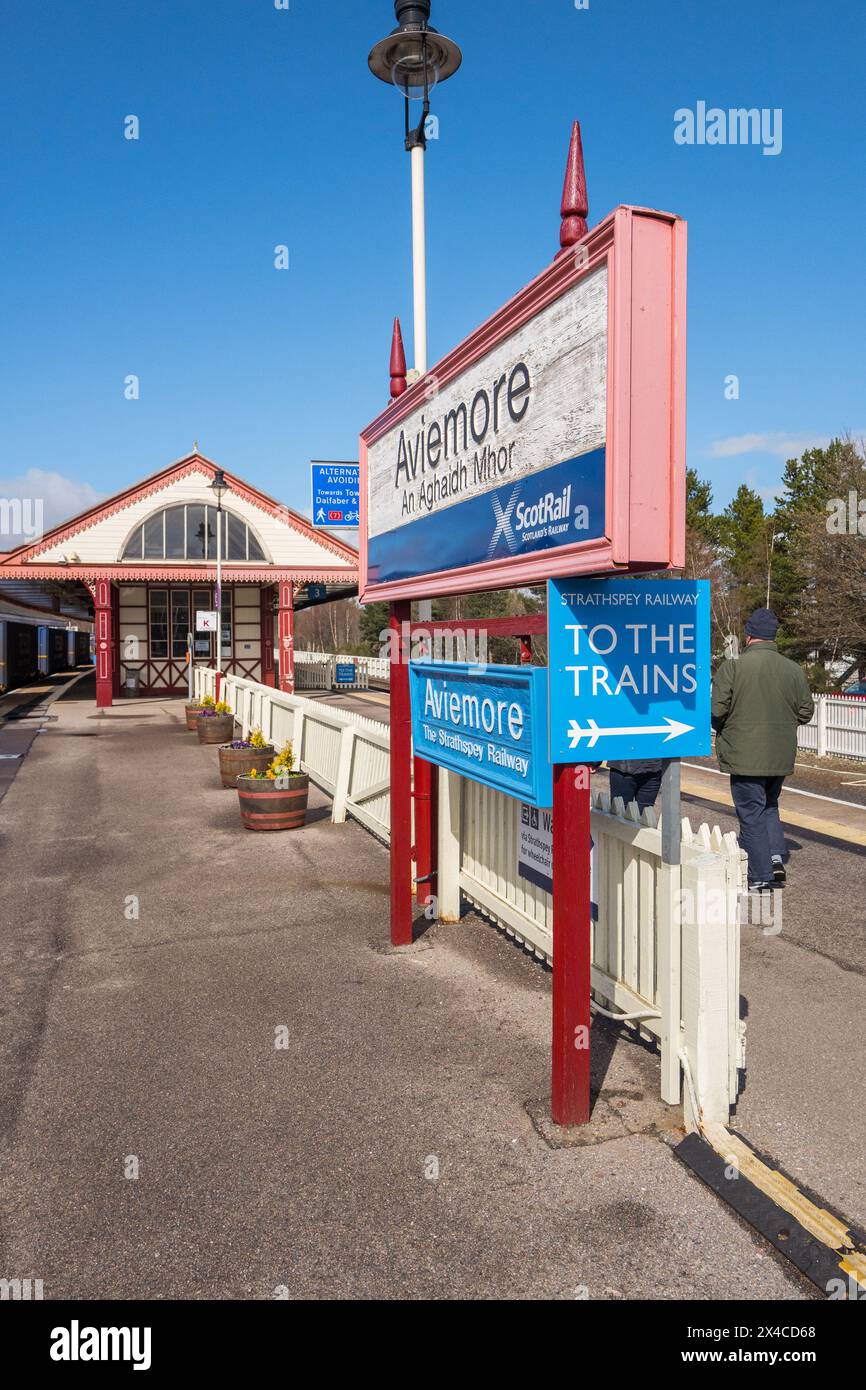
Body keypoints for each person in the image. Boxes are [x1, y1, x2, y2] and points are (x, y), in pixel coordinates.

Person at [711, 608, 814, 891]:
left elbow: (717, 709)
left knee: (751, 813)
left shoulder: (734, 666)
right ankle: (775, 860)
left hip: (743, 754)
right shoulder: (792, 669)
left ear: (748, 635)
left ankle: (761, 875)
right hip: (779, 755)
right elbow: (806, 712)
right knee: (769, 806)